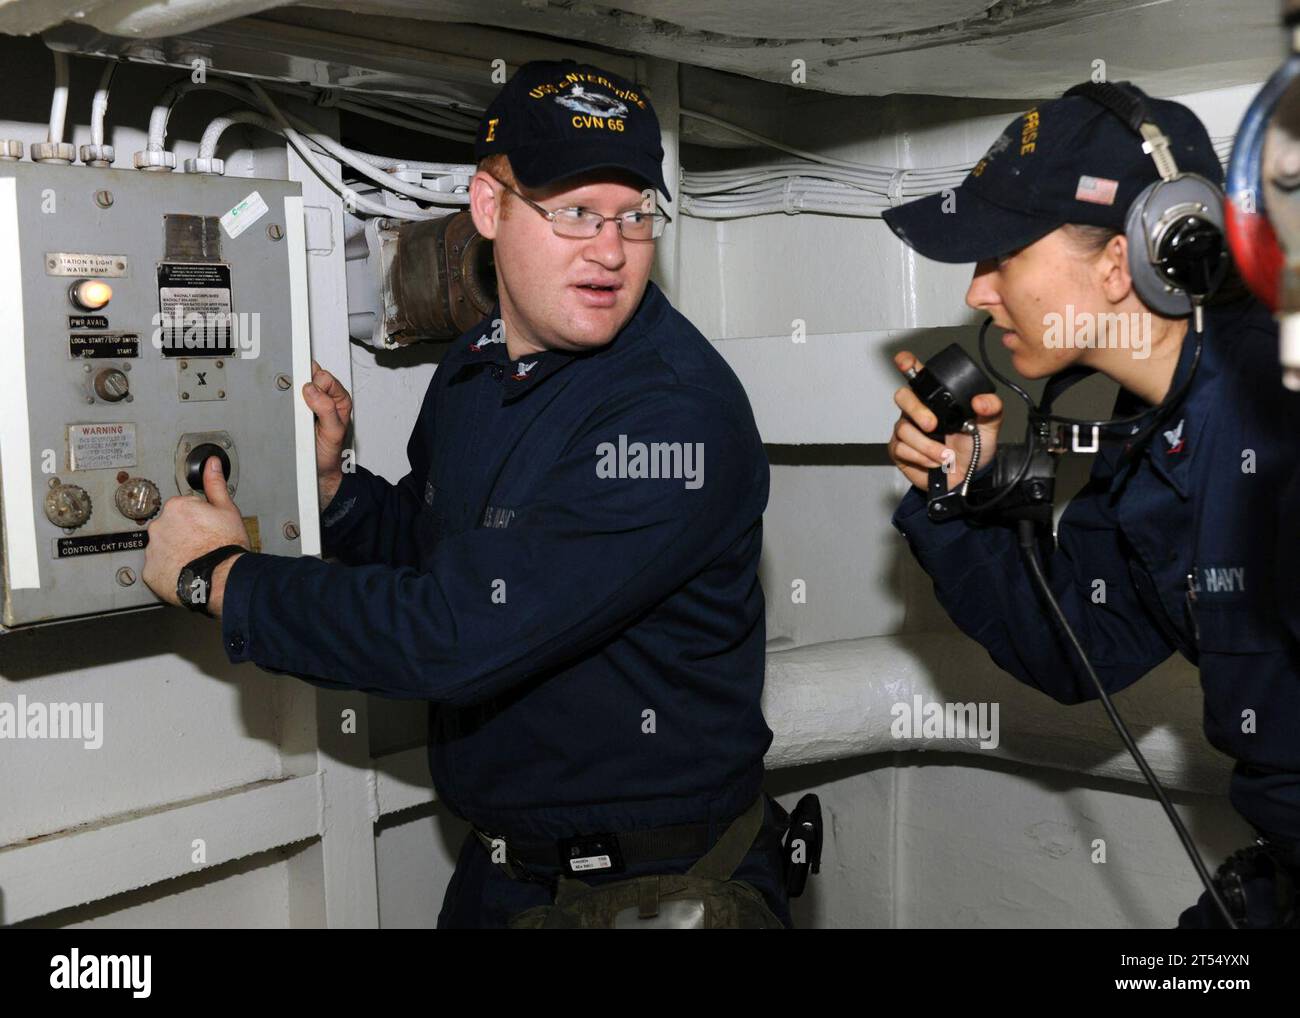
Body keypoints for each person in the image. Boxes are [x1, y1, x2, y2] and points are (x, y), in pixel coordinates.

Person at [141, 58, 791, 929]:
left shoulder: (672, 418)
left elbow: (458, 632)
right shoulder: (479, 366)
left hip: (658, 892)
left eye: (634, 216)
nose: (610, 249)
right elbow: (449, 548)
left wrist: (219, 580)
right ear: (489, 207)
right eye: (574, 212)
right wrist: (339, 493)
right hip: (509, 878)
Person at [881, 81, 1300, 928]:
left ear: (1126, 260)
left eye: (1003, 254)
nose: (978, 293)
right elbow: (1082, 649)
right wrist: (958, 498)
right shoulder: (1151, 427)